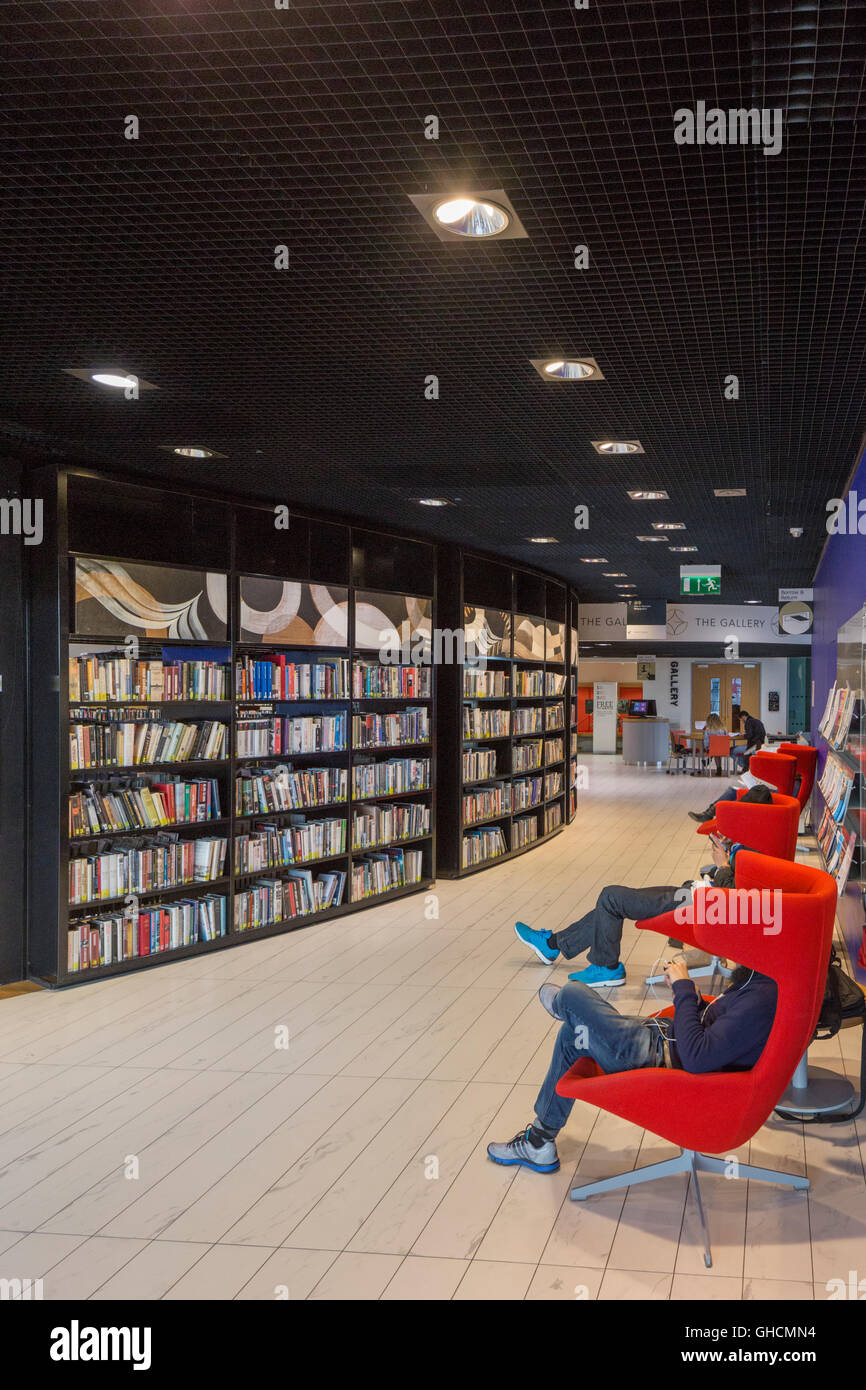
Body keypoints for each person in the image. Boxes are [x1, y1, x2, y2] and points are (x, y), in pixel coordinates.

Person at [486, 960, 778, 1173]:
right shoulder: (762, 982)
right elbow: (718, 1034)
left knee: (574, 995)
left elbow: (697, 1057)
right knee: (574, 1034)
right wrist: (698, 1003)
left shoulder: (761, 1001)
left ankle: (564, 1006)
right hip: (663, 1039)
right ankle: (539, 1142)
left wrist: (684, 990)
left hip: (655, 1058)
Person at [514, 836, 741, 987]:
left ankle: (606, 967)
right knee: (609, 907)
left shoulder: (752, 859)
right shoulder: (754, 853)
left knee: (610, 896)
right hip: (692, 895)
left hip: (696, 904)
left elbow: (729, 895)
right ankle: (553, 945)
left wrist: (722, 865)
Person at [688, 778, 774, 825]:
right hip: (767, 786)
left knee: (736, 793)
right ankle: (709, 813)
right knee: (732, 790)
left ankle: (712, 813)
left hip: (768, 791)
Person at [701, 711, 728, 777]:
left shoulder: (708, 730)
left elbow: (706, 741)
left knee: (713, 750)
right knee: (717, 752)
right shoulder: (723, 729)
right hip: (723, 749)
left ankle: (708, 761)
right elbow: (727, 738)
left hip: (713, 749)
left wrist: (706, 748)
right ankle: (718, 768)